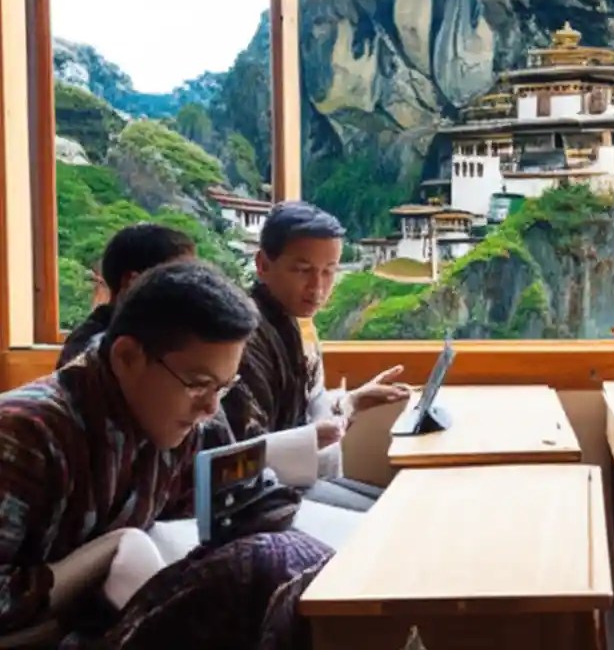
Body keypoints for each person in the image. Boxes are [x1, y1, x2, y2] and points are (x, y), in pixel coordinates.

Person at [0, 260, 331, 647]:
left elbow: (232, 503)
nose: (210, 408)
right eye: (198, 384)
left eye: (223, 388)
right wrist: (108, 552)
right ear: (127, 357)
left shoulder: (178, 416)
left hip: (105, 616)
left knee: (289, 561)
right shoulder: (24, 435)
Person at [220, 201, 408, 511]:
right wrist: (316, 433)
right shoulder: (245, 338)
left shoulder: (292, 323)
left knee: (398, 505)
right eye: (303, 270)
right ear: (263, 265)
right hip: (262, 497)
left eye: (328, 272)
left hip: (297, 480)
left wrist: (352, 402)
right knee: (389, 517)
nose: (317, 288)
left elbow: (307, 411)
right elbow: (242, 459)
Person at [57, 223, 196, 368]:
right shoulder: (90, 349)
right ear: (132, 282)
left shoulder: (157, 334)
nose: (189, 289)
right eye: (176, 278)